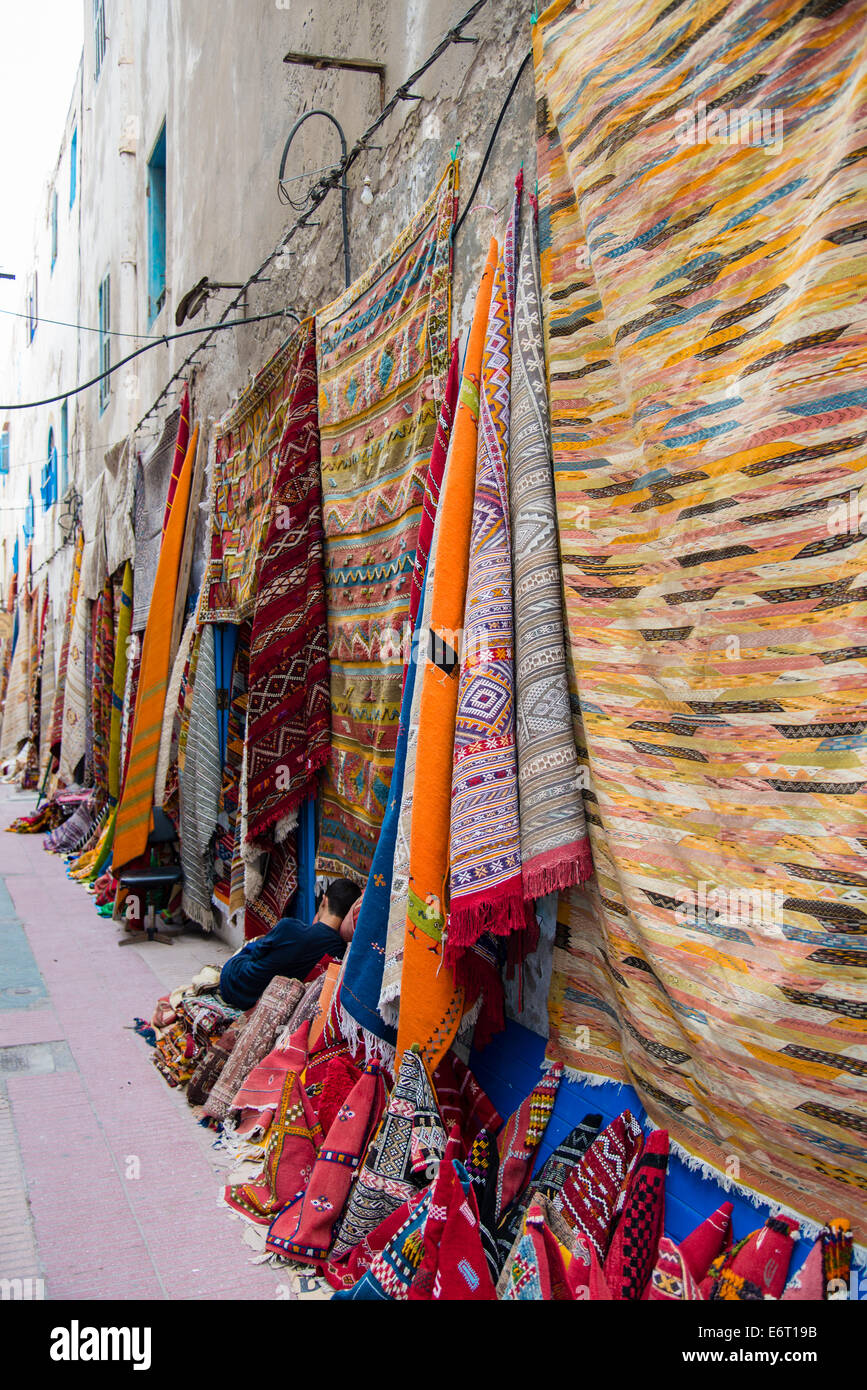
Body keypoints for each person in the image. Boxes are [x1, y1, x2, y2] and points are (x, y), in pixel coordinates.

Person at [218, 878, 362, 1011]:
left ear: (324, 901)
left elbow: (256, 955)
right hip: (269, 998)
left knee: (256, 945)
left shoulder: (290, 927)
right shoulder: (341, 953)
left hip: (236, 985)